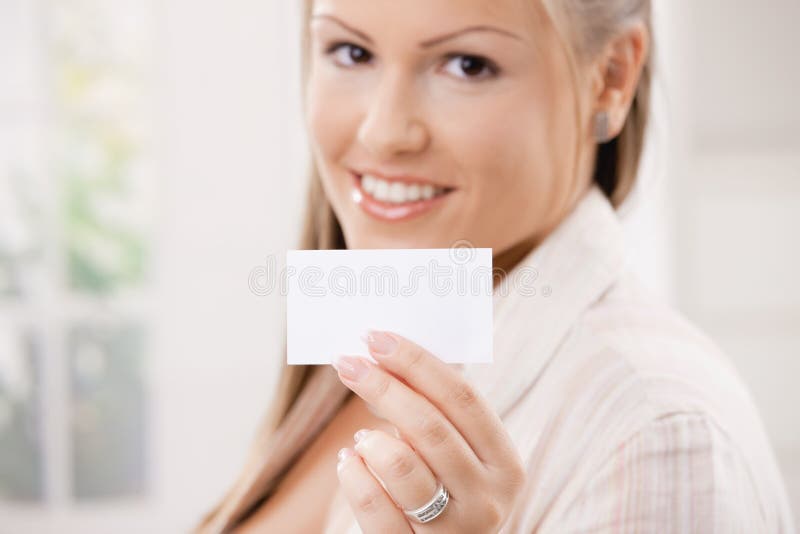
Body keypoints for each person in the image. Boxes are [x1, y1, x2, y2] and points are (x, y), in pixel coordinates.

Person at [197, 0, 796, 532]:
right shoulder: (373, 340)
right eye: (351, 52)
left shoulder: (657, 437)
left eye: (467, 65)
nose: (383, 132)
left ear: (611, 77)